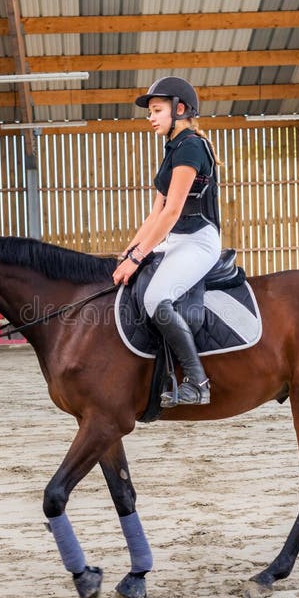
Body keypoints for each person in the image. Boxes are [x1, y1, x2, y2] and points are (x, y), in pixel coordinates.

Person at [112, 76, 221, 406]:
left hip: (198, 240)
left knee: (156, 297)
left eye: (157, 110)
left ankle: (198, 381)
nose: (151, 117)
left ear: (180, 109)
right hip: (174, 238)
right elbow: (154, 214)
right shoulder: (172, 148)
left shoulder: (190, 147)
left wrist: (139, 255)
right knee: (134, 283)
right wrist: (129, 252)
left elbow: (172, 211)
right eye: (150, 112)